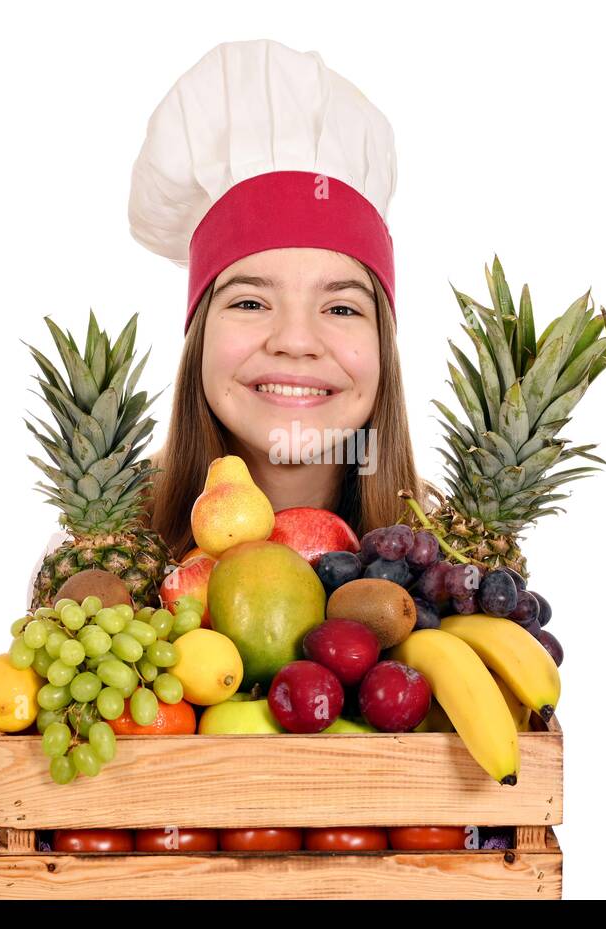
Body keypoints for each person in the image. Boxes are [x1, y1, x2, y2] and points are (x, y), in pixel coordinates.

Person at [126, 39, 433, 557]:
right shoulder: (99, 564)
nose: (295, 340)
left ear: (383, 345)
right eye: (250, 303)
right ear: (200, 334)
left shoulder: (458, 570)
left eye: (341, 308)